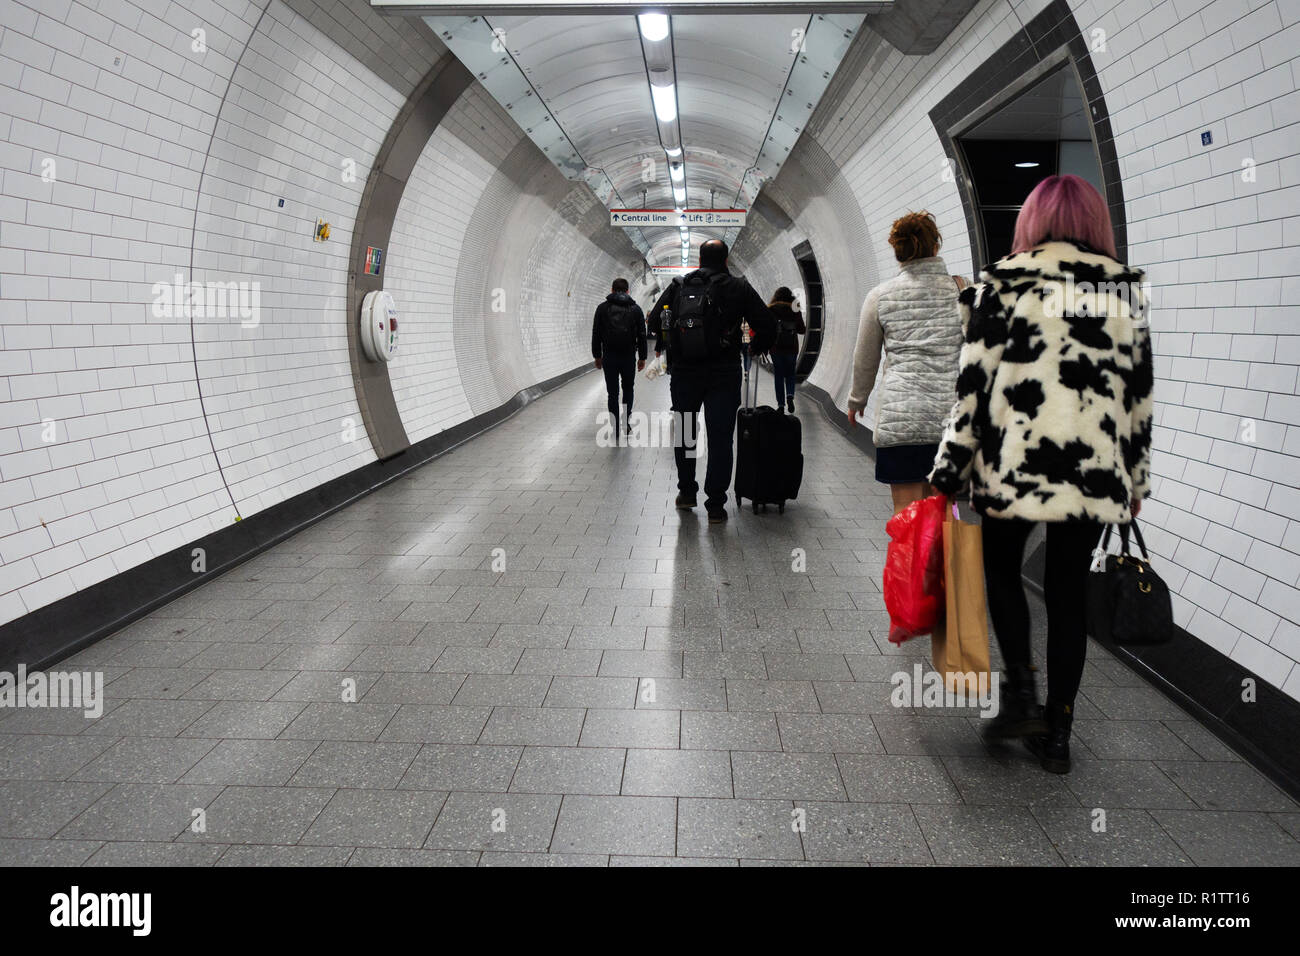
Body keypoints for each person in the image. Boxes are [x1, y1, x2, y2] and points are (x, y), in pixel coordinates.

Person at [927, 174, 1154, 774]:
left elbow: (972, 389)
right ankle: (1059, 731)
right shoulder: (1124, 289)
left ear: (1031, 220)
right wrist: (1135, 481)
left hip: (1014, 465)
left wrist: (948, 468)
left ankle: (1021, 693)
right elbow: (1137, 398)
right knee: (1067, 594)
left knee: (1001, 571)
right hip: (1093, 472)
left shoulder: (1003, 282)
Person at [846, 211, 966, 514]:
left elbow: (866, 357)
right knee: (943, 517)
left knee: (908, 520)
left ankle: (913, 563)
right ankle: (943, 563)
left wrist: (857, 399)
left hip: (901, 421)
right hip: (948, 420)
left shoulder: (880, 296)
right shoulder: (963, 291)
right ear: (935, 247)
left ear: (897, 251)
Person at [651, 238, 777, 524]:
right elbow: (768, 325)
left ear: (699, 258)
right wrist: (753, 349)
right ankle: (716, 504)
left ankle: (686, 492)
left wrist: (673, 345)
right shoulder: (738, 287)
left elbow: (655, 321)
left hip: (684, 372)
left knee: (685, 432)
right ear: (726, 259)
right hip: (723, 372)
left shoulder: (679, 286)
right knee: (720, 438)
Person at [592, 277, 647, 435]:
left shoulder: (602, 308)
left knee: (612, 393)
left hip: (609, 356)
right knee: (628, 389)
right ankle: (626, 421)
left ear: (612, 290)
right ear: (628, 291)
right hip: (628, 356)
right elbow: (642, 335)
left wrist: (597, 356)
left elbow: (596, 333)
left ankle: (615, 425)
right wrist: (642, 357)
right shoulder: (635, 309)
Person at [768, 287, 806, 413]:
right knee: (790, 374)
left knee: (778, 375)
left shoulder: (771, 309)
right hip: (791, 347)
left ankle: (780, 405)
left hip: (776, 348)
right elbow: (802, 329)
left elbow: (767, 327)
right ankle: (790, 395)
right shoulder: (795, 309)